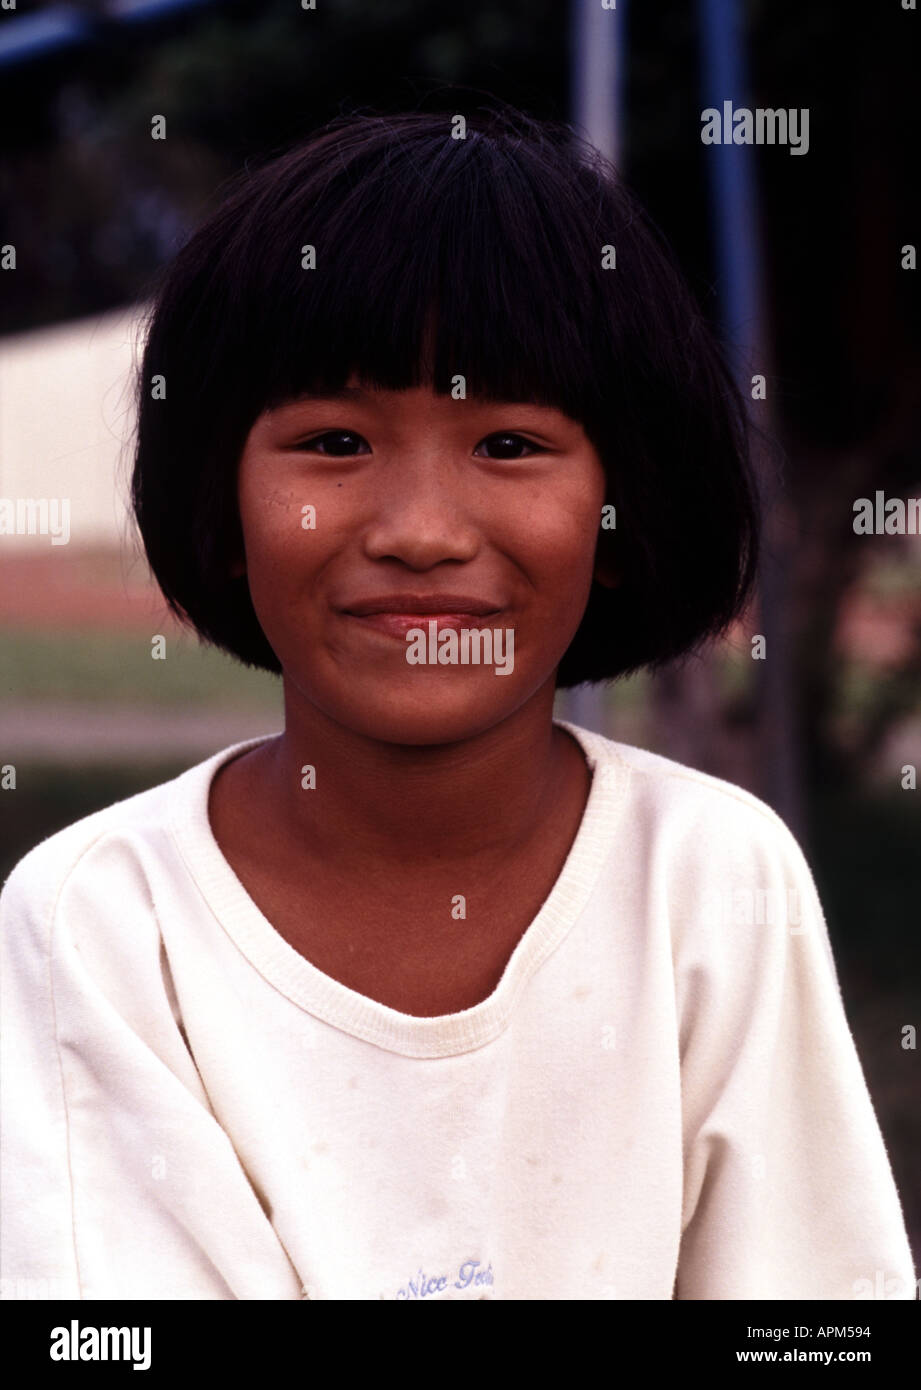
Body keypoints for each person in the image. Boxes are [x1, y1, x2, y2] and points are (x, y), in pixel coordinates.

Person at [1, 104, 915, 1301]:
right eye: (333, 440)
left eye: (510, 444)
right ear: (220, 509)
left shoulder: (710, 876)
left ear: (622, 507)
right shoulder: (105, 921)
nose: (422, 533)